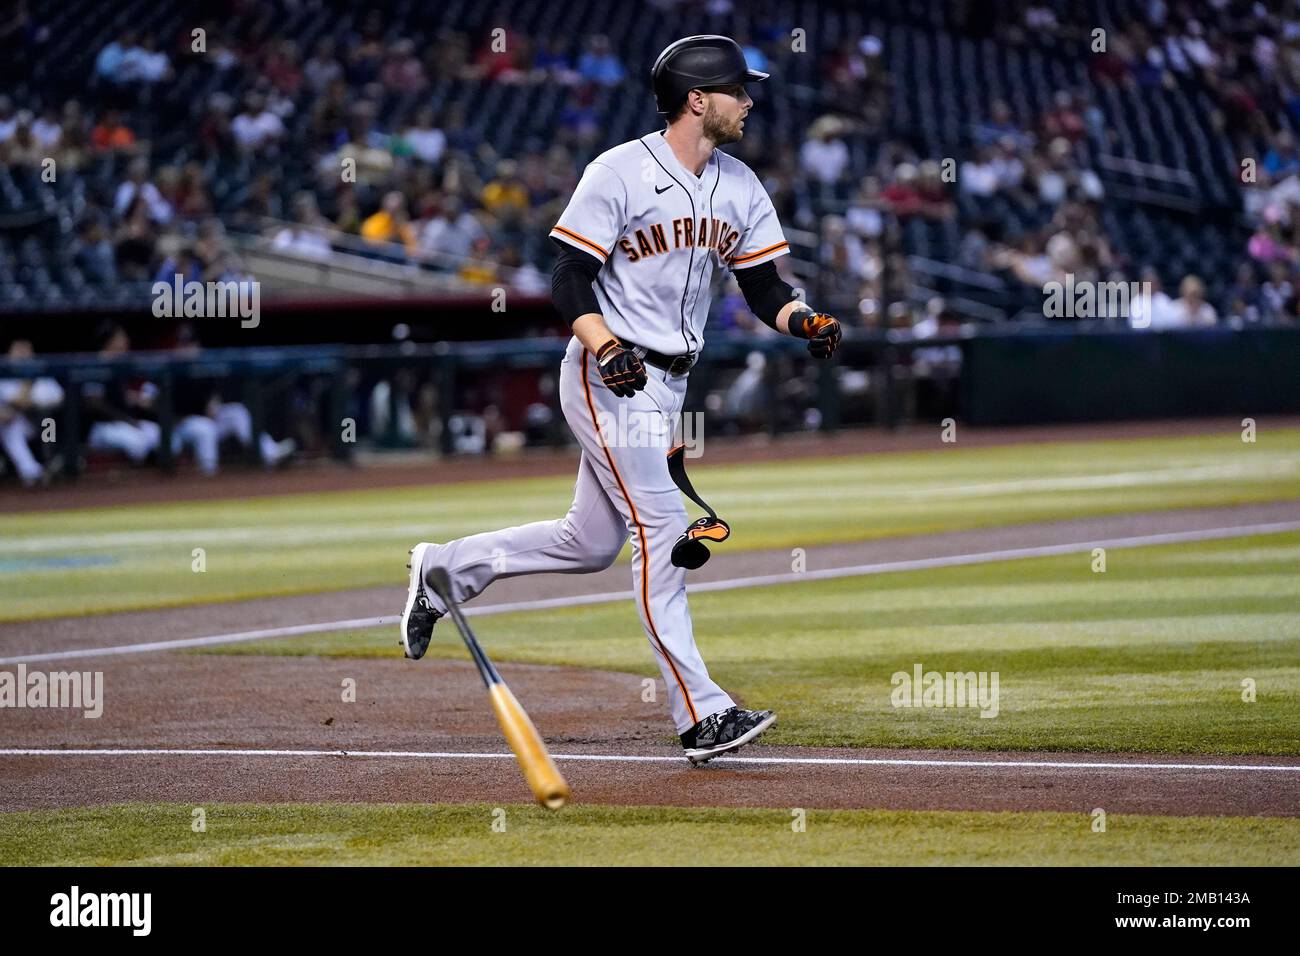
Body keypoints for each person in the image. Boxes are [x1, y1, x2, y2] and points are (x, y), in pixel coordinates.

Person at [400, 36, 842, 766]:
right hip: (608, 374)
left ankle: (445, 568)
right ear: (699, 99)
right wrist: (605, 344)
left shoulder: (740, 185)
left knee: (591, 542)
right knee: (664, 535)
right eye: (739, 89)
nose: (750, 100)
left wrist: (807, 321)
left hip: (668, 385)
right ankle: (701, 714)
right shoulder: (620, 171)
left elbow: (764, 288)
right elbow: (568, 276)